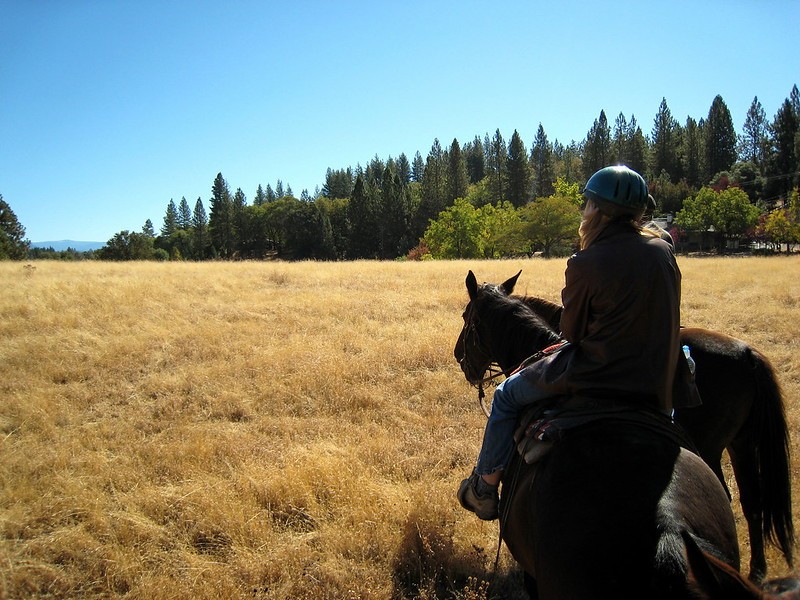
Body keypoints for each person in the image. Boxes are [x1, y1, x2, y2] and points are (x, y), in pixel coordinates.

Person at [458, 165, 682, 520]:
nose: (584, 210)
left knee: (505, 396)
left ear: (598, 210)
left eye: (587, 204)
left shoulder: (586, 261)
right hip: (659, 379)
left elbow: (572, 334)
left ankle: (484, 488)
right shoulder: (663, 249)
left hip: (598, 376)